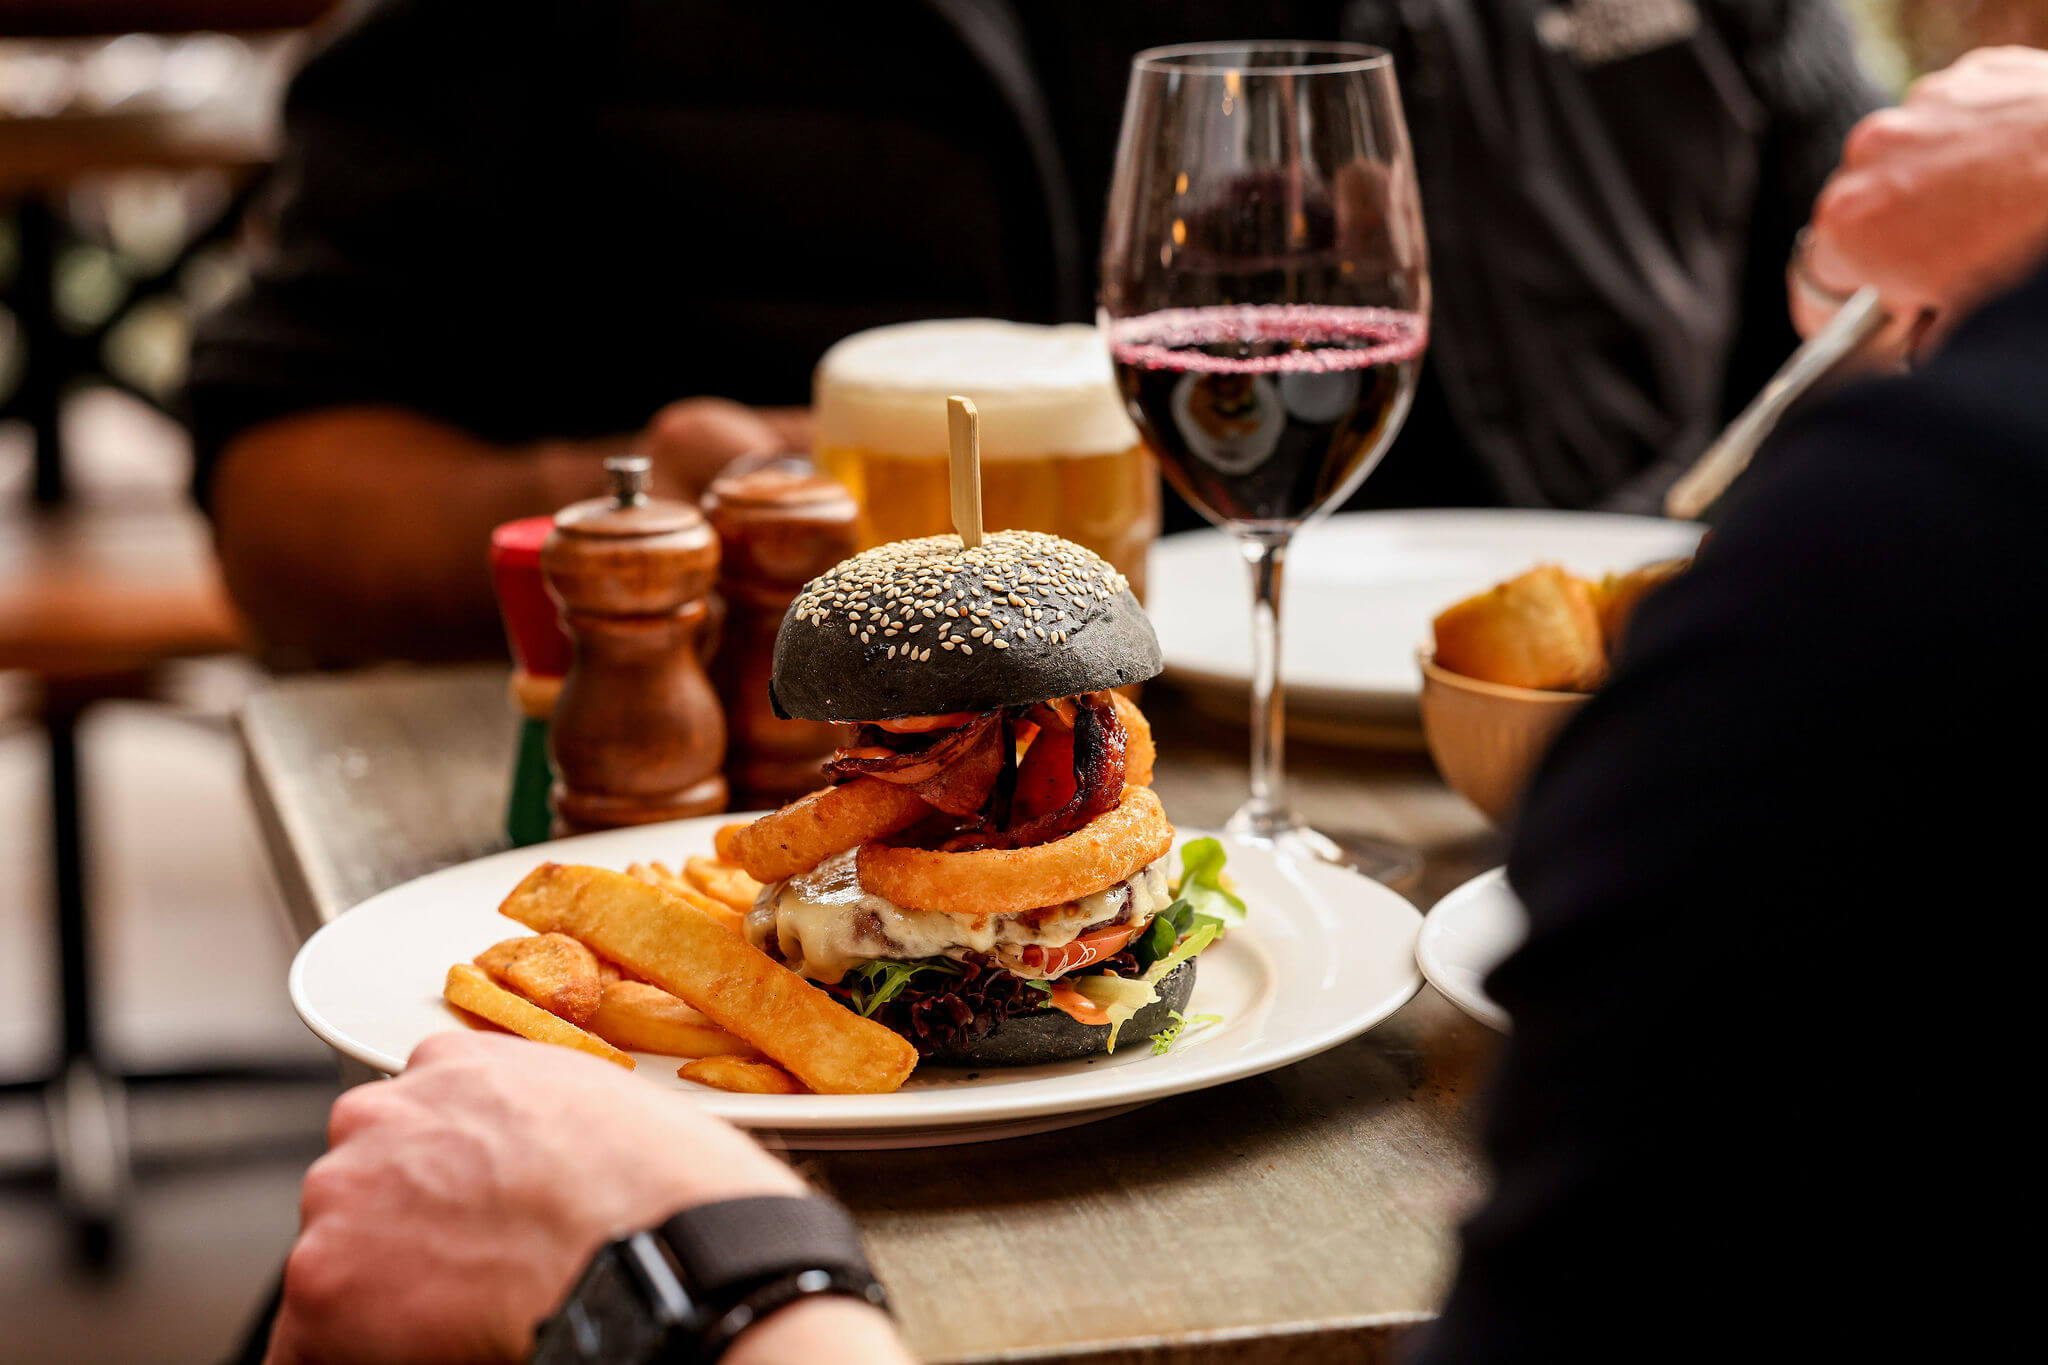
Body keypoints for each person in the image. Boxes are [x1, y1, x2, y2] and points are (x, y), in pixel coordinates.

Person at [187, 0, 1879, 666]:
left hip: (1593, 822)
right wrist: (634, 508)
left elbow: (1890, 317)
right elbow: (281, 497)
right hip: (848, 890)